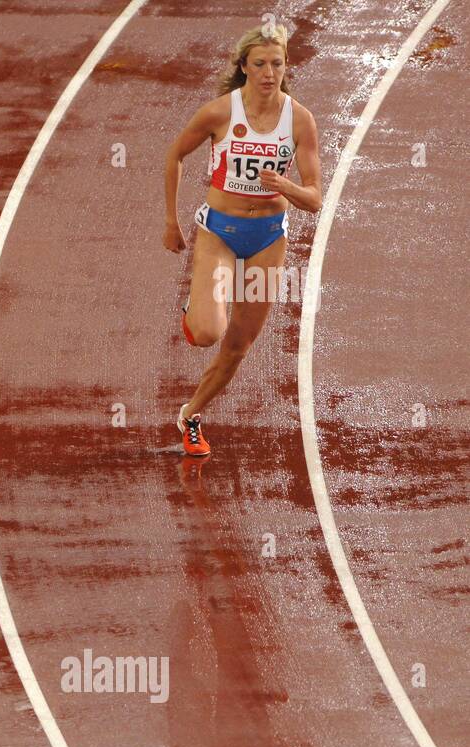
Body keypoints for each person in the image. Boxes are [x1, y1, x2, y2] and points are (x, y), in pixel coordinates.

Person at [163, 24, 321, 456]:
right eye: (260, 64)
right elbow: (175, 155)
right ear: (244, 67)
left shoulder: (299, 119)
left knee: (237, 346)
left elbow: (314, 198)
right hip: (219, 231)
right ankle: (195, 311)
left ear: (286, 66)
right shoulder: (219, 113)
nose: (269, 72)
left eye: (277, 63)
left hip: (268, 237)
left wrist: (285, 187)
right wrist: (171, 222)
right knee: (208, 333)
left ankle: (191, 415)